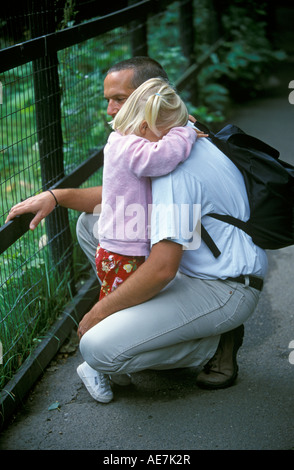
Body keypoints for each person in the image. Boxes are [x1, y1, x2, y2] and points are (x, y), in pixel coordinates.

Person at [5, 57, 268, 404]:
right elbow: (121, 197)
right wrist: (56, 197)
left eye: (121, 99)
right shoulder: (176, 135)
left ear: (150, 98)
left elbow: (161, 269)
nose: (111, 111)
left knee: (97, 347)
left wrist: (98, 314)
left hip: (224, 287)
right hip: (197, 262)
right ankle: (153, 330)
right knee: (92, 225)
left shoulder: (174, 167)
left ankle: (215, 342)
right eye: (108, 100)